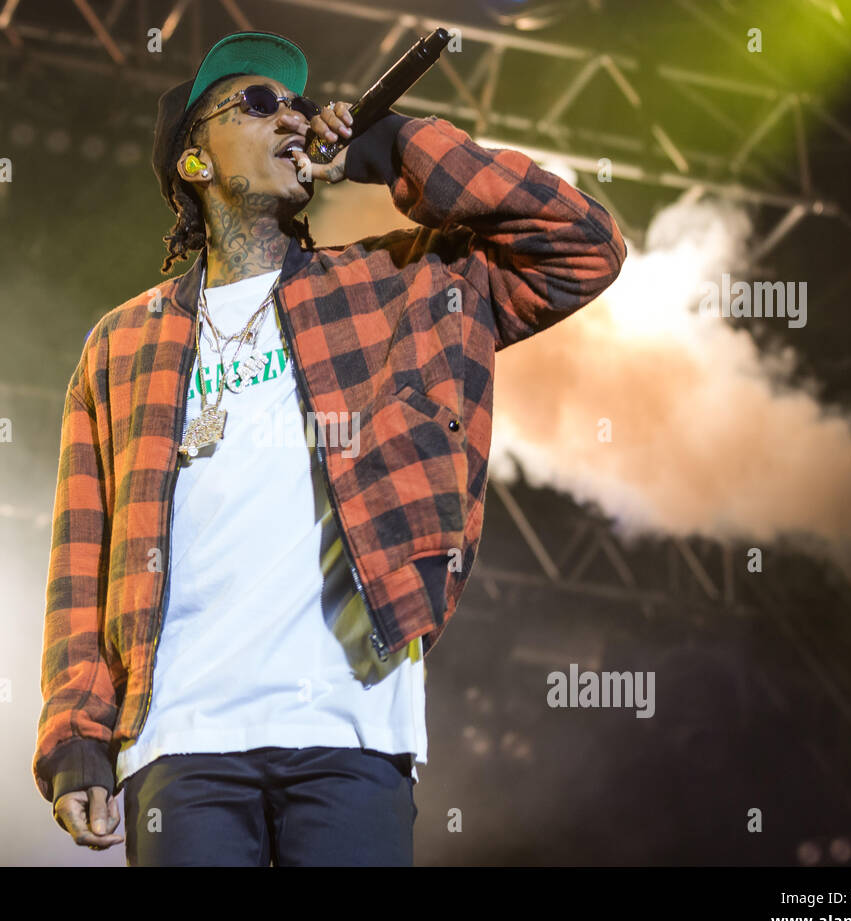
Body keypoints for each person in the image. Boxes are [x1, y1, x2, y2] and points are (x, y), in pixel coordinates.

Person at [33, 29, 626, 865]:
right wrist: (76, 737)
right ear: (195, 163)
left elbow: (584, 246)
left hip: (350, 729)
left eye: (301, 108)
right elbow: (81, 559)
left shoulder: (402, 286)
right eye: (258, 103)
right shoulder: (122, 343)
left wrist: (396, 146)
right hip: (182, 737)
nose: (292, 120)